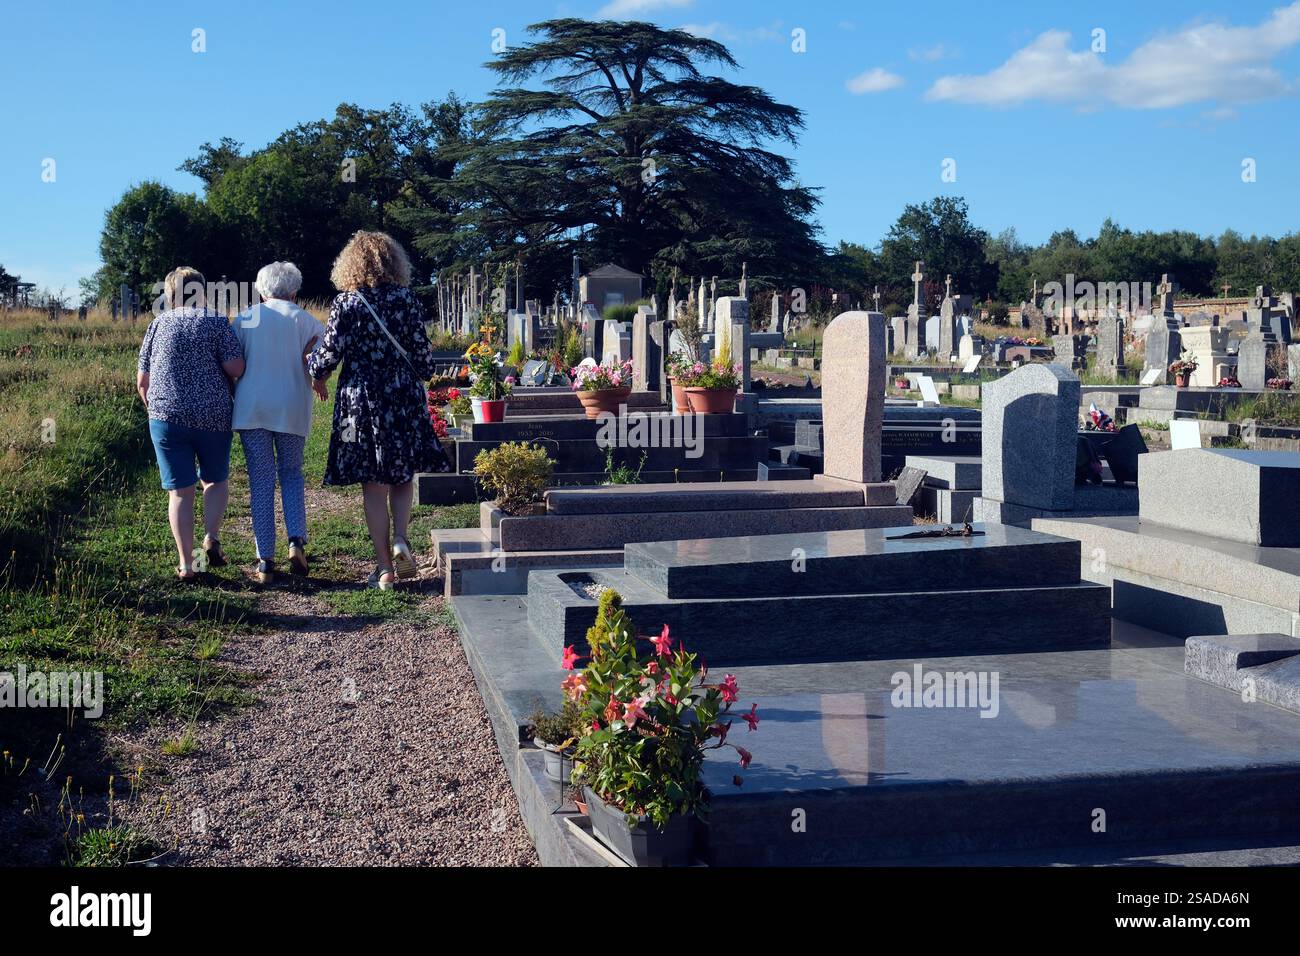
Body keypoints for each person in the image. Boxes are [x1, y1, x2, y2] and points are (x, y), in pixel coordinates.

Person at [307, 231, 450, 589]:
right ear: (393, 262)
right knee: (402, 474)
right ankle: (401, 537)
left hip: (360, 399)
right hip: (402, 395)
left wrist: (314, 369)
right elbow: (423, 359)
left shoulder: (347, 302)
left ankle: (384, 567)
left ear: (350, 264)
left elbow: (329, 355)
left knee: (373, 482)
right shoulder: (406, 299)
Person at [136, 267, 244, 580]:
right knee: (214, 480)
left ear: (170, 295)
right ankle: (210, 537)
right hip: (213, 415)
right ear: (202, 292)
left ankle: (187, 564)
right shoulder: (215, 320)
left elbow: (143, 380)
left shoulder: (158, 324)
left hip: (167, 417)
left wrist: (154, 408)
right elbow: (236, 365)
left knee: (181, 492)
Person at [232, 262, 327, 584]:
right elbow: (323, 355)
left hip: (252, 408)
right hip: (291, 407)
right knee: (291, 474)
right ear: (295, 291)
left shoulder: (246, 318)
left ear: (261, 290)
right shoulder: (305, 319)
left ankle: (264, 560)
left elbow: (232, 362)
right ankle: (296, 541)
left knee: (260, 479)